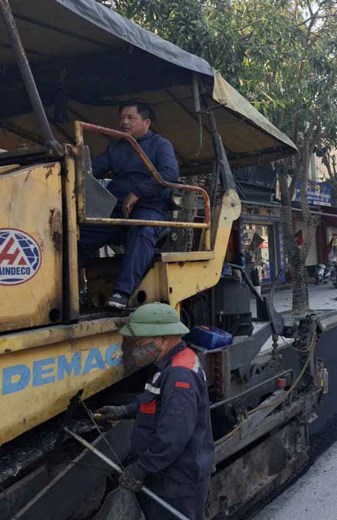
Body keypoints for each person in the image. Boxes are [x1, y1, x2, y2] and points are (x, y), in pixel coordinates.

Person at [94, 303, 213, 520]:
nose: (135, 348)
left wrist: (140, 469)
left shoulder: (179, 376)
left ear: (163, 339)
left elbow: (173, 438)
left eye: (140, 342)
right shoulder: (168, 365)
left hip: (176, 481)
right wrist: (125, 410)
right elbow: (155, 401)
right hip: (167, 475)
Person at [78, 101, 179, 309]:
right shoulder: (117, 145)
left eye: (130, 118)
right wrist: (73, 165)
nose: (124, 122)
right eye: (122, 117)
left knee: (142, 230)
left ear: (147, 122)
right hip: (116, 208)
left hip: (150, 206)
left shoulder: (161, 145)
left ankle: (122, 293)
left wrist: (138, 192)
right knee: (78, 233)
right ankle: (65, 288)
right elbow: (93, 169)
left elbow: (170, 174)